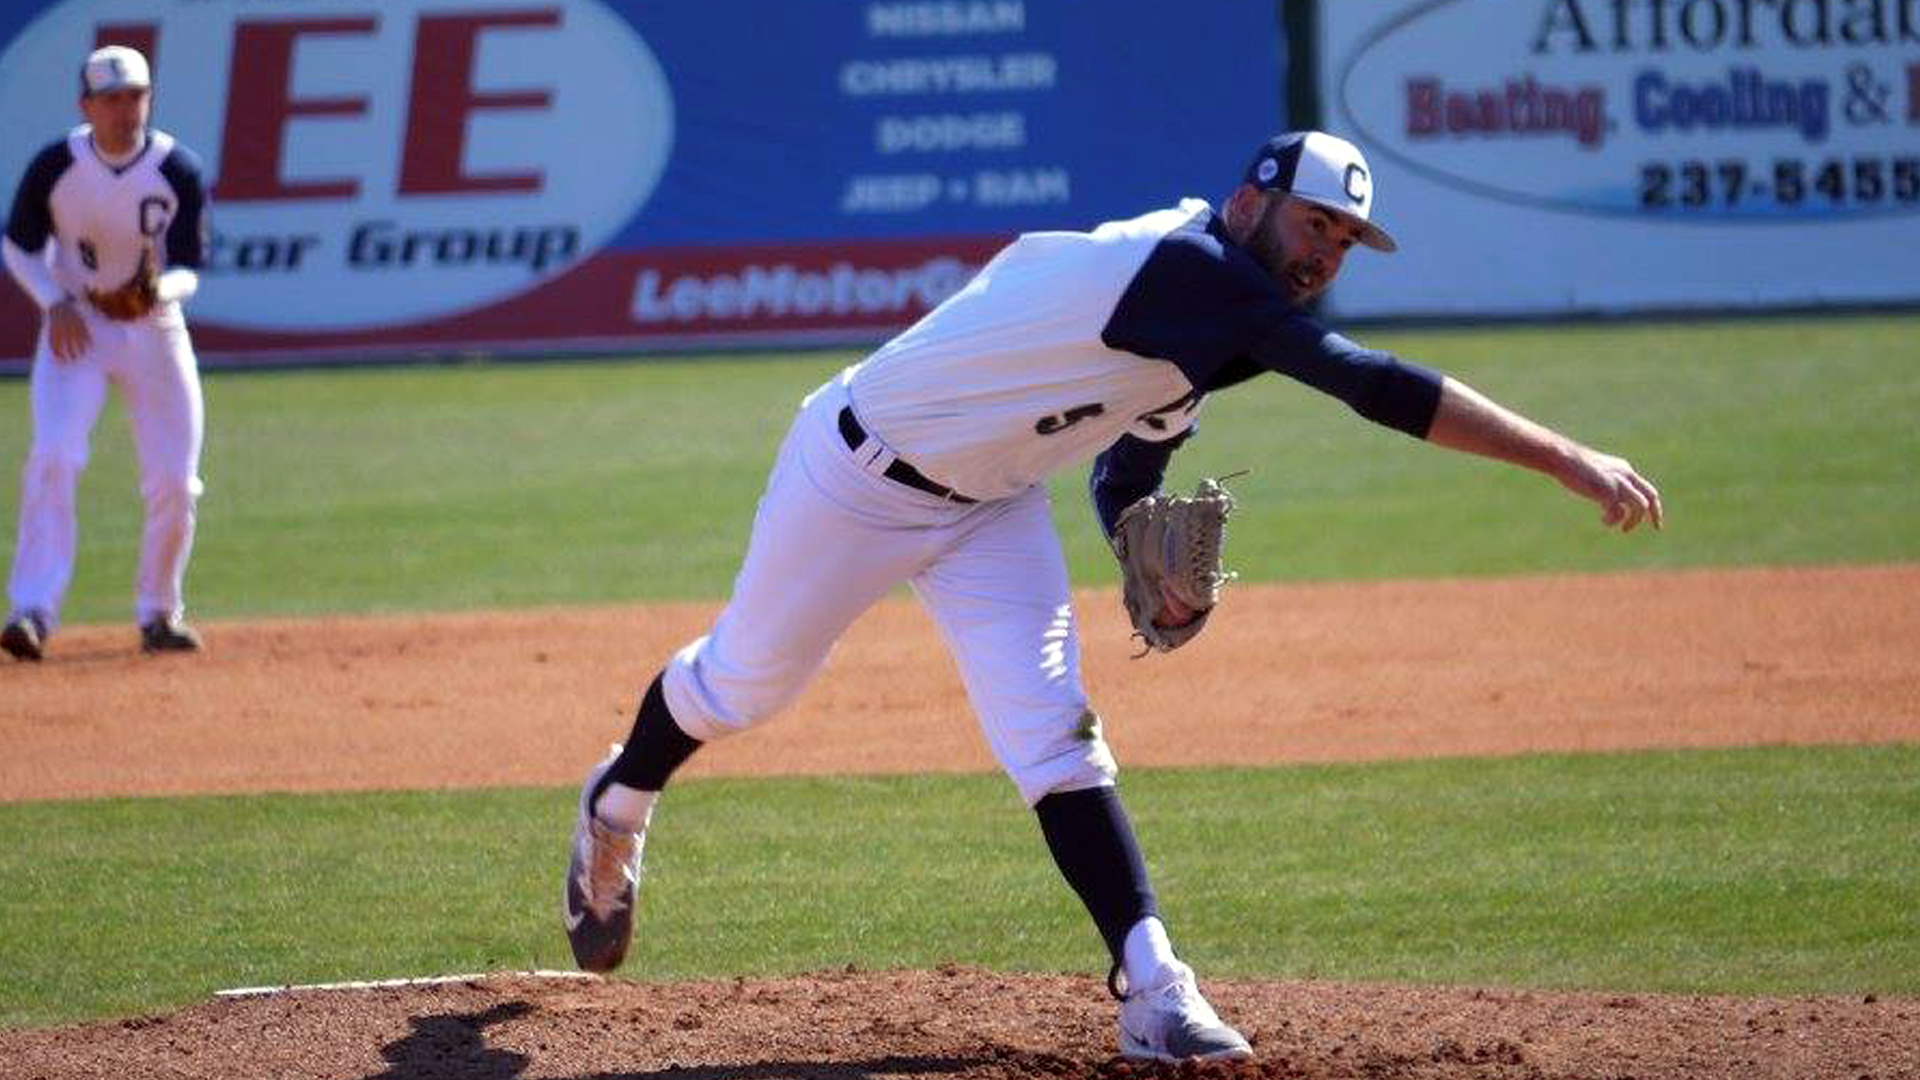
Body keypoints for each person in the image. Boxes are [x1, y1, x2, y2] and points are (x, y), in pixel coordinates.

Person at [561, 131, 1662, 1061]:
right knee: (745, 685)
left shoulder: (1213, 333)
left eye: (1343, 239)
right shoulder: (1192, 271)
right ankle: (618, 802)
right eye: (1312, 223)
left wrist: (1143, 561)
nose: (1325, 251)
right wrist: (1562, 455)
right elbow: (1368, 383)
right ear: (1249, 203)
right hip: (857, 472)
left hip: (992, 506)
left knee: (1054, 732)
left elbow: (1125, 472)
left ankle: (1152, 986)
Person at [2, 45, 211, 662]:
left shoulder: (177, 169)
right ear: (85, 105)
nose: (125, 110)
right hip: (79, 327)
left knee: (176, 480)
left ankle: (158, 613)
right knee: (55, 455)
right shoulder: (56, 166)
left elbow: (192, 267)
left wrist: (156, 293)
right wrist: (53, 301)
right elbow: (17, 246)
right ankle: (32, 611)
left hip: (155, 330)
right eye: (112, 98)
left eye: (136, 96)